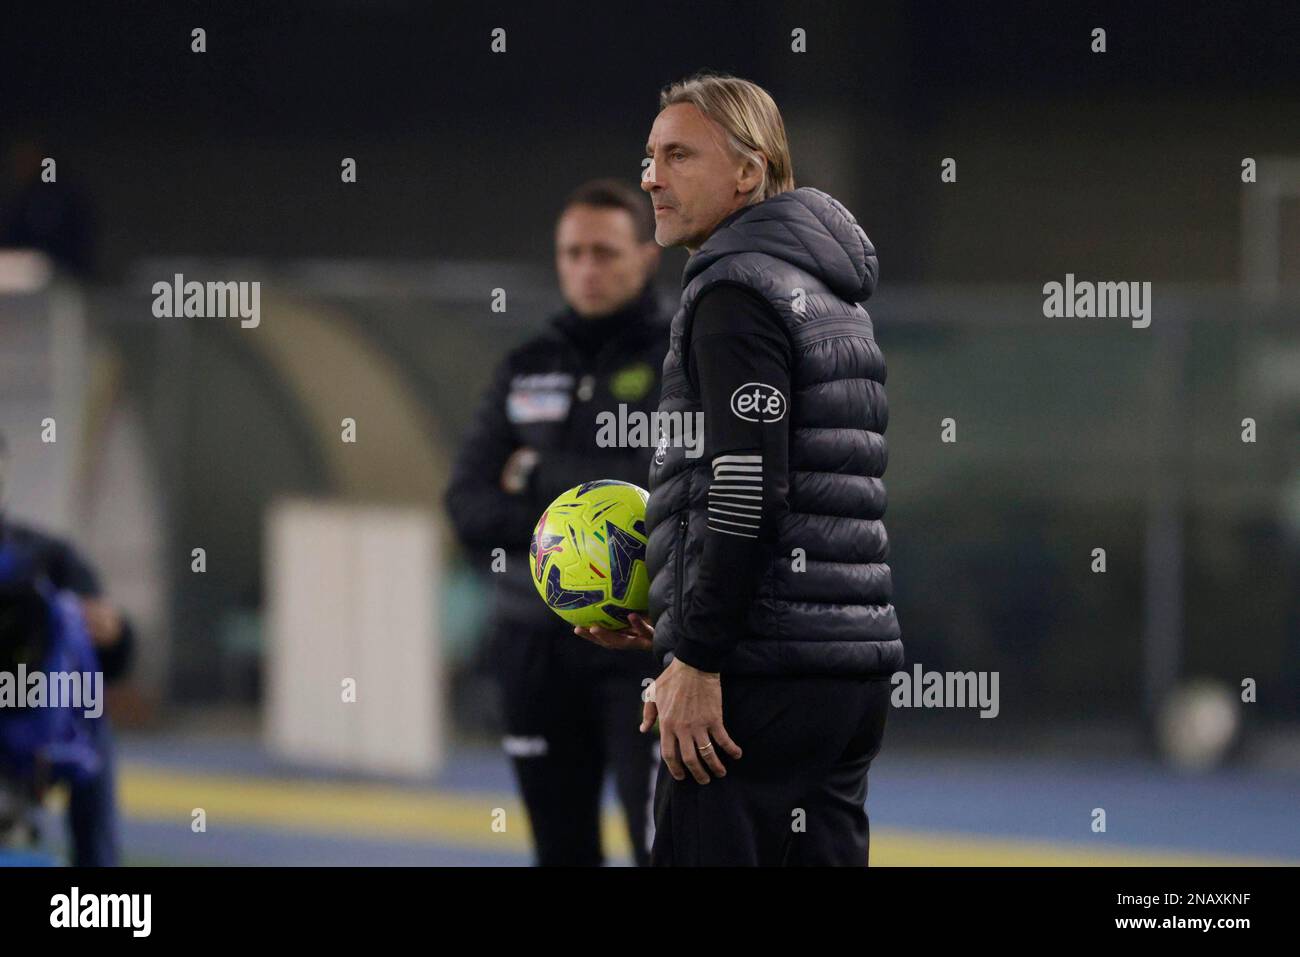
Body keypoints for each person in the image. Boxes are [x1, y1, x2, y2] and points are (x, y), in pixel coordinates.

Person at [578, 73, 905, 866]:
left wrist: (699, 651)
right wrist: (682, 605)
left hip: (757, 675)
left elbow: (749, 484)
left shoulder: (735, 292)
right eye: (650, 156)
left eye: (679, 155)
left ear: (749, 172)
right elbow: (808, 490)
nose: (652, 177)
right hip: (845, 672)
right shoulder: (832, 294)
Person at [444, 179, 668, 865]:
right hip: (532, 645)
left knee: (661, 842)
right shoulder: (526, 364)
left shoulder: (681, 358)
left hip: (640, 643)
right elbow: (466, 503)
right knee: (560, 848)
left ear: (648, 255)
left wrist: (538, 475)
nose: (586, 268)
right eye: (572, 253)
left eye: (605, 251)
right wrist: (588, 494)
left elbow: (662, 489)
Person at [0, 432, 133, 865]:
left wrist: (113, 632)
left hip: (25, 727)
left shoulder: (46, 559)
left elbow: (105, 655)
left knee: (93, 718)